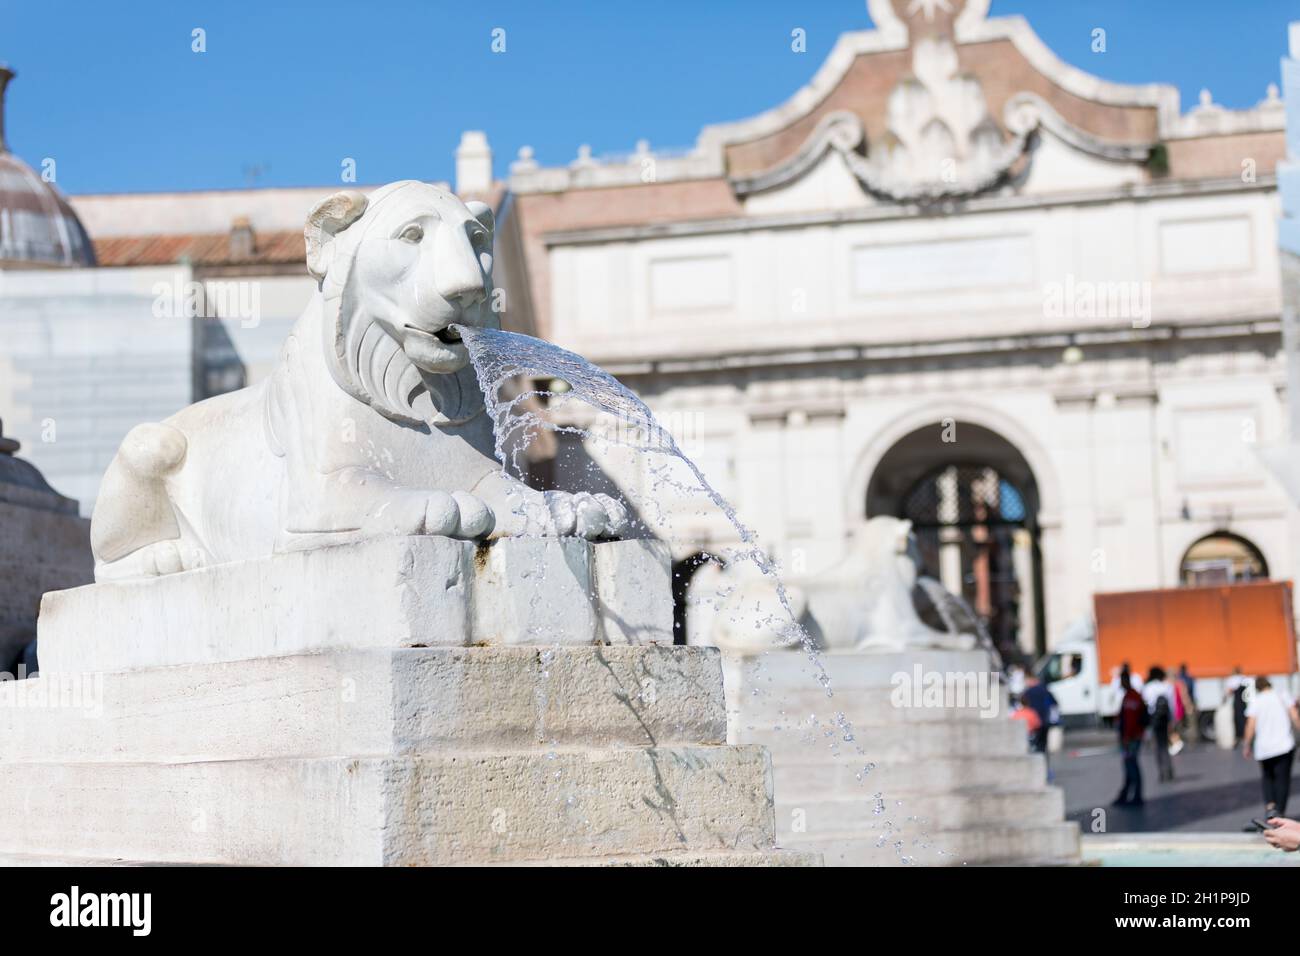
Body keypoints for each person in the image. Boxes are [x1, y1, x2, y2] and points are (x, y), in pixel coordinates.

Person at [1241, 676, 1300, 822]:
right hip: (1284, 745)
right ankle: (1280, 811)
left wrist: (1247, 744)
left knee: (1267, 778)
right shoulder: (1282, 695)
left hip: (1264, 748)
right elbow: (1295, 716)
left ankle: (1270, 807)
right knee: (1282, 779)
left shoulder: (1256, 700)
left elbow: (1250, 725)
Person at [1113, 672, 1148, 806]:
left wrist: (1126, 738)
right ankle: (1127, 795)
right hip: (1131, 738)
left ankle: (1136, 796)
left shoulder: (1131, 697)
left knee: (1131, 766)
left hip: (1131, 739)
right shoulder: (1130, 696)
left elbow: (1130, 720)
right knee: (1129, 766)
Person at [1021, 673, 1059, 780]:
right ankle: (1045, 770)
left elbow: (1023, 704)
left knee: (1034, 748)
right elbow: (1054, 703)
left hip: (1032, 724)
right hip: (1045, 722)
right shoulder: (1044, 690)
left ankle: (1036, 771)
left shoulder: (1027, 692)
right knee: (1043, 747)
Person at [1142, 666, 1176, 781]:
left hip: (1154, 719)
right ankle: (1169, 771)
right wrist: (1172, 720)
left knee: (1157, 746)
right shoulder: (1167, 687)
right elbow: (1172, 705)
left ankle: (1162, 772)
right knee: (1165, 745)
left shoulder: (1148, 687)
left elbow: (1146, 704)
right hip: (1165, 718)